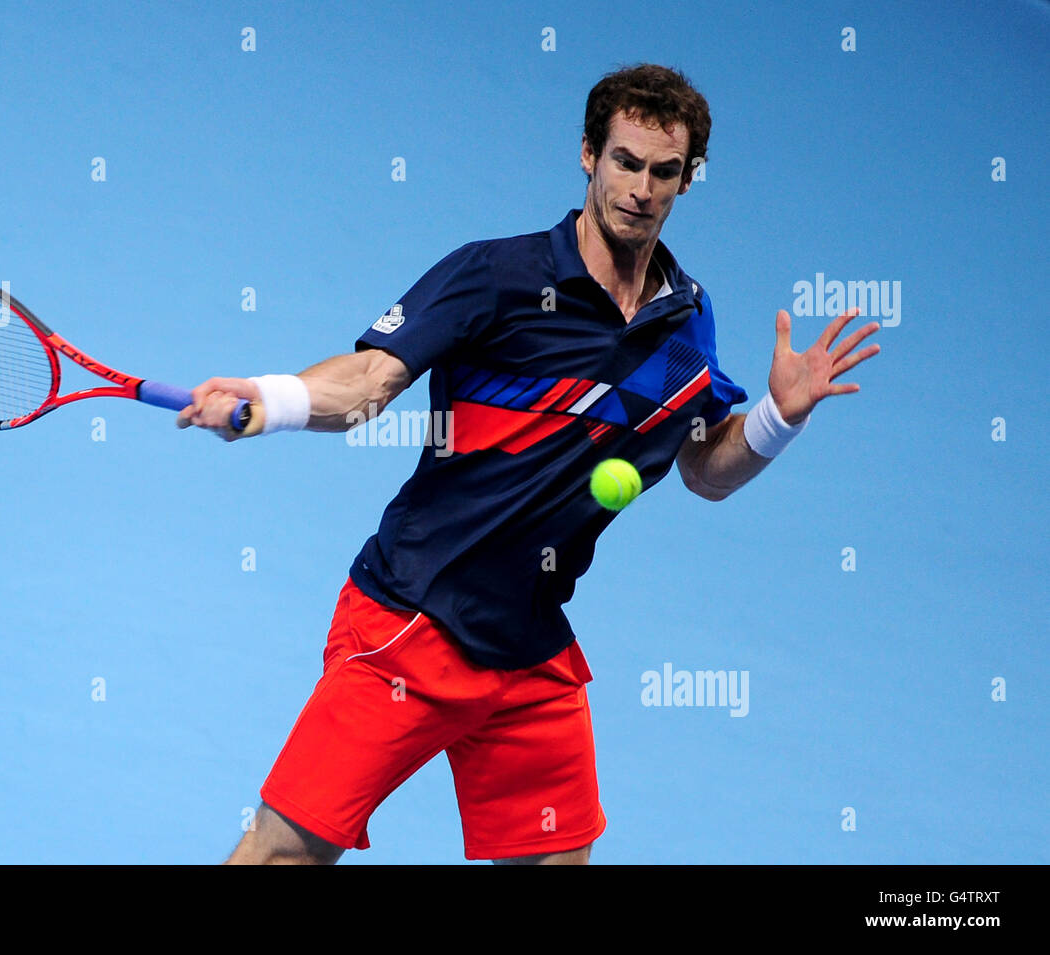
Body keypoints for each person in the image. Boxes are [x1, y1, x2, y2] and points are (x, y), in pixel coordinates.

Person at [179, 63, 881, 865]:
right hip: (412, 621)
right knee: (283, 854)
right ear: (588, 154)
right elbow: (370, 381)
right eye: (625, 161)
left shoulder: (686, 320)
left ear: (688, 179)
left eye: (663, 171)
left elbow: (704, 470)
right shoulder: (496, 277)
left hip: (529, 648)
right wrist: (274, 401)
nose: (641, 188)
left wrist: (776, 418)